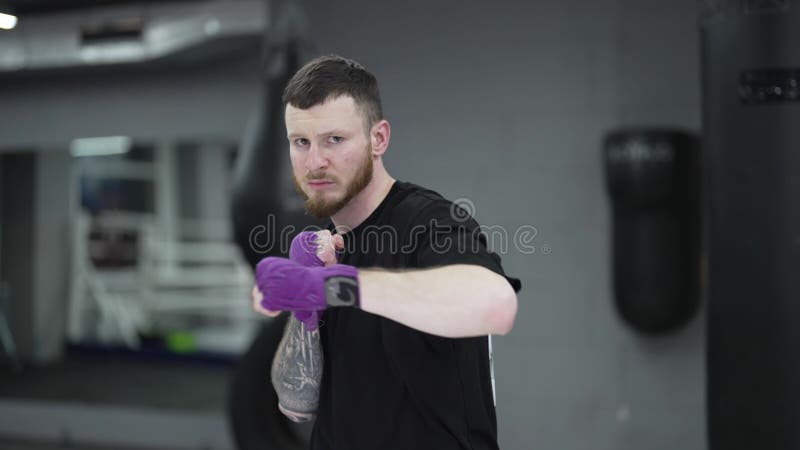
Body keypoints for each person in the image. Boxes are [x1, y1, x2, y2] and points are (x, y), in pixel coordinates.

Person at [251, 55, 521, 450]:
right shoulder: (324, 249)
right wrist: (305, 311)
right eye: (301, 142)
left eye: (334, 140)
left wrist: (336, 287)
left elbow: (497, 306)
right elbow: (297, 405)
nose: (315, 162)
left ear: (378, 139)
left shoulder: (429, 222)